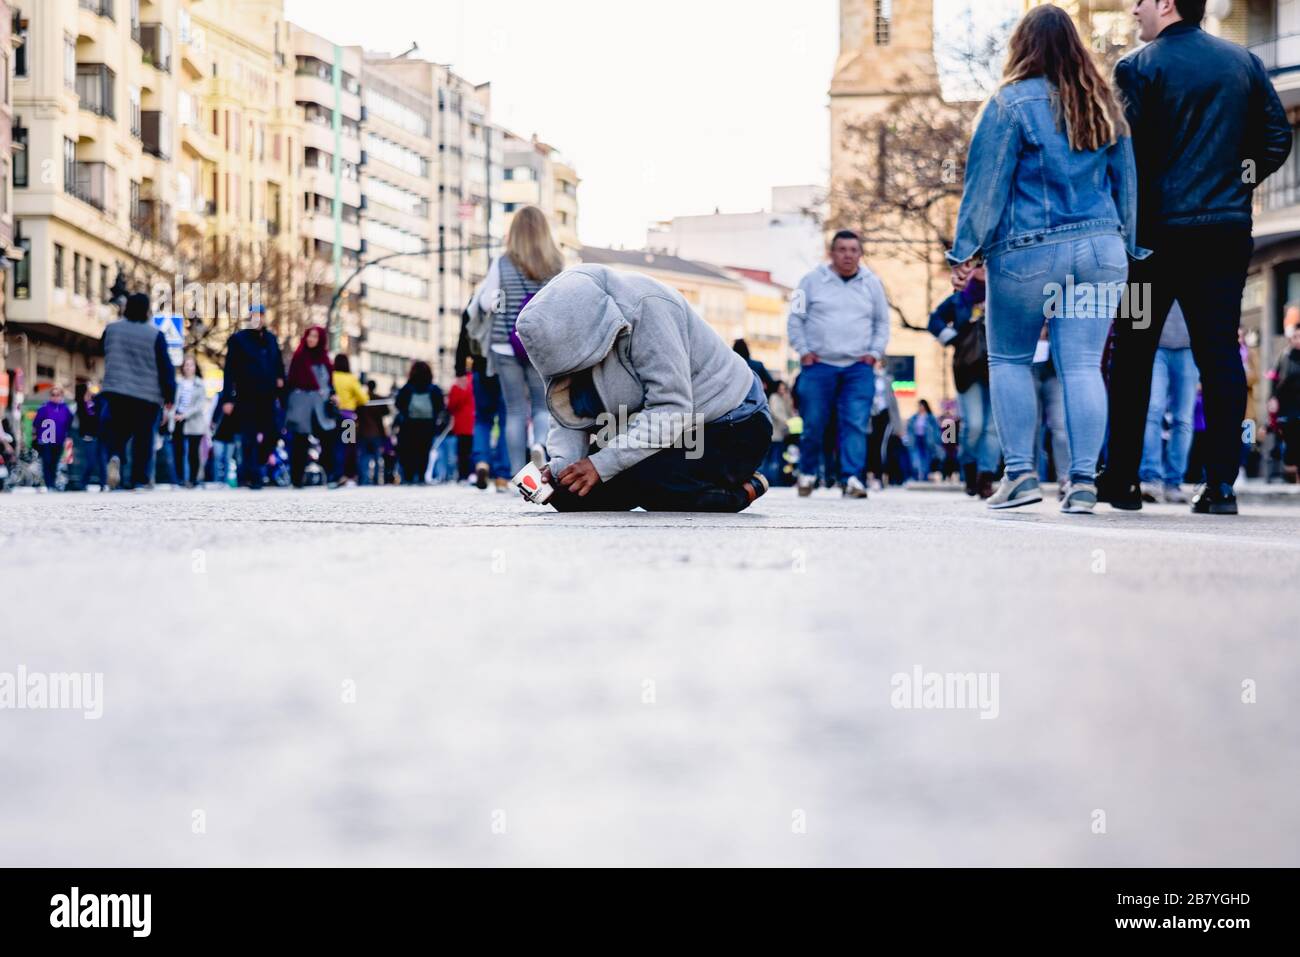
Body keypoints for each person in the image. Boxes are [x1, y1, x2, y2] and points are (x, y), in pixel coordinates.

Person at [948, 3, 1142, 514]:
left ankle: (1021, 476)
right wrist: (1132, 242)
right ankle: (1081, 484)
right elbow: (1128, 184)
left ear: (1021, 46)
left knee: (1009, 359)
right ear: (1074, 47)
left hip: (1028, 251)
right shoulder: (1104, 104)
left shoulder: (1008, 103)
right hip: (1101, 248)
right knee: (1081, 366)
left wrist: (965, 249)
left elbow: (986, 186)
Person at [1100, 0, 1291, 515]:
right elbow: (1277, 138)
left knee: (1132, 355)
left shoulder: (1137, 68)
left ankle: (1121, 480)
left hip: (1151, 242)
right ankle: (1221, 487)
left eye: (1140, 0)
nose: (1133, 8)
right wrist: (1238, 179)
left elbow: (1125, 152)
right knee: (1220, 356)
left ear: (1165, 4)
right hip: (1224, 236)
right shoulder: (1243, 62)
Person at [517, 264, 771, 512]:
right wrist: (560, 470)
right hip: (660, 431)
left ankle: (744, 489)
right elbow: (568, 415)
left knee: (646, 479)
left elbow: (672, 408)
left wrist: (603, 463)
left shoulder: (648, 306)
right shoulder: (552, 333)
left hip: (732, 425)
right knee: (571, 495)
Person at [787, 229, 891, 499]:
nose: (848, 255)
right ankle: (807, 473)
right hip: (819, 365)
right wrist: (803, 350)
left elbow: (882, 322)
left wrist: (874, 353)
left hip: (858, 367)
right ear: (831, 253)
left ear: (860, 253)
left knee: (855, 423)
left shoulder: (873, 284)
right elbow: (795, 318)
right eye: (842, 249)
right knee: (814, 422)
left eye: (853, 250)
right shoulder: (809, 281)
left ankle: (853, 478)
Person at [467, 205, 559, 476]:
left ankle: (519, 474)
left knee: (515, 409)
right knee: (542, 406)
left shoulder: (502, 262)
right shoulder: (556, 263)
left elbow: (486, 301)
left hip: (504, 343)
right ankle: (540, 444)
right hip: (539, 345)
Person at [927, 266, 1000, 497]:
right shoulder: (958, 300)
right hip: (967, 369)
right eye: (977, 264)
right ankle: (968, 466)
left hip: (998, 366)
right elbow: (935, 320)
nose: (982, 269)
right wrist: (953, 338)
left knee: (993, 427)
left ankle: (986, 476)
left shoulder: (1002, 294)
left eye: (986, 263)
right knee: (974, 424)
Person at [100, 292, 176, 490]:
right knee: (143, 438)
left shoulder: (111, 329)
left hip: (116, 390)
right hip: (146, 395)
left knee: (119, 431)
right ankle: (138, 479)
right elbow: (165, 367)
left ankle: (116, 456)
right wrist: (170, 395)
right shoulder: (155, 335)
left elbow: (103, 349)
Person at [1138, 301, 1197, 504]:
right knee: (1152, 410)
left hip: (1190, 347)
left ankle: (1174, 482)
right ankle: (1150, 477)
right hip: (1155, 345)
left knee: (1183, 418)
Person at [222, 305, 285, 490]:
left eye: (260, 315)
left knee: (273, 433)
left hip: (268, 397)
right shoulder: (238, 340)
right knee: (248, 438)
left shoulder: (271, 339)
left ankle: (253, 467)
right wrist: (227, 399)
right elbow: (229, 371)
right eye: (253, 316)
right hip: (246, 397)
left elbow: (279, 365)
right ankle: (253, 476)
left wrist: (281, 384)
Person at [284, 326, 336, 488]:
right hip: (301, 405)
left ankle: (331, 475)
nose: (311, 339)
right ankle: (297, 478)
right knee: (300, 442)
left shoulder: (325, 359)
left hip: (321, 406)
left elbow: (329, 381)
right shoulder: (299, 356)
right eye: (309, 336)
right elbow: (292, 380)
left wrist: (332, 393)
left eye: (315, 336)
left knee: (328, 439)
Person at [1031, 326, 1070, 491]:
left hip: (1054, 367)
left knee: (1060, 426)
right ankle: (1029, 476)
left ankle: (1065, 478)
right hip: (1028, 365)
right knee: (1032, 426)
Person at [393, 360, 443, 485]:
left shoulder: (407, 388)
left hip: (409, 425)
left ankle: (409, 476)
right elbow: (440, 406)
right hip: (427, 425)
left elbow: (398, 404)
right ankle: (421, 475)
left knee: (409, 450)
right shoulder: (434, 389)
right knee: (424, 451)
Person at [1269, 316, 1300, 484]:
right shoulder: (1285, 356)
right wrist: (1273, 399)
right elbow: (1276, 380)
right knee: (1290, 442)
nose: (1298, 340)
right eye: (1296, 337)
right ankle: (1291, 478)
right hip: (1288, 408)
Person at [331, 353, 369, 485]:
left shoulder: (331, 377)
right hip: (348, 419)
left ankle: (335, 474)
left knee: (335, 446)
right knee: (349, 447)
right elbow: (364, 399)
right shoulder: (351, 378)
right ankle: (348, 475)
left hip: (332, 418)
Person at [171, 356, 208, 488]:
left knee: (193, 452)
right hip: (178, 421)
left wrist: (185, 415)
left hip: (194, 422)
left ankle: (193, 479)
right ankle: (180, 478)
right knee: (179, 451)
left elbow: (200, 405)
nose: (188, 367)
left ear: (195, 367)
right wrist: (174, 415)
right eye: (186, 365)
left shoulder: (200, 384)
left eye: (191, 365)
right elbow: (175, 402)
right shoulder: (178, 383)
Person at [33, 385, 73, 492]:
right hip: (46, 440)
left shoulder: (66, 409)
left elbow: (69, 423)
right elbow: (36, 423)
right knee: (47, 461)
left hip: (59, 440)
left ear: (61, 396)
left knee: (55, 462)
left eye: (58, 395)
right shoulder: (44, 408)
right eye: (53, 395)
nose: (55, 397)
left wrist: (65, 434)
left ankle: (53, 484)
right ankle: (49, 484)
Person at [356, 380, 391, 486]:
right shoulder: (379, 399)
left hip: (362, 432)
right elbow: (387, 412)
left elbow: (355, 412)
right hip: (376, 433)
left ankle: (363, 479)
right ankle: (376, 479)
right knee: (377, 457)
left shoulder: (361, 399)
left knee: (363, 457)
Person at [447, 361, 476, 482]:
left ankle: (463, 475)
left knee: (462, 453)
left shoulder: (457, 385)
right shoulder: (477, 382)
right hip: (476, 422)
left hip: (462, 424)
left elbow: (451, 406)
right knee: (474, 450)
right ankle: (474, 473)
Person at [71, 383, 104, 491]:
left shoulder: (96, 403)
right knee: (90, 462)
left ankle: (103, 484)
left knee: (99, 461)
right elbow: (82, 421)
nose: (90, 392)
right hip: (86, 437)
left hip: (97, 437)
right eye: (88, 391)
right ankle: (82, 483)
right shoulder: (80, 405)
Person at [906, 400, 941, 484]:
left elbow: (936, 430)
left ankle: (925, 474)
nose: (920, 407)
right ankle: (917, 474)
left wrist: (937, 440)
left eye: (921, 406)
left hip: (928, 440)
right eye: (919, 406)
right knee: (916, 457)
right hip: (917, 439)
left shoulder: (930, 417)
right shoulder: (914, 417)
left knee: (926, 457)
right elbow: (909, 428)